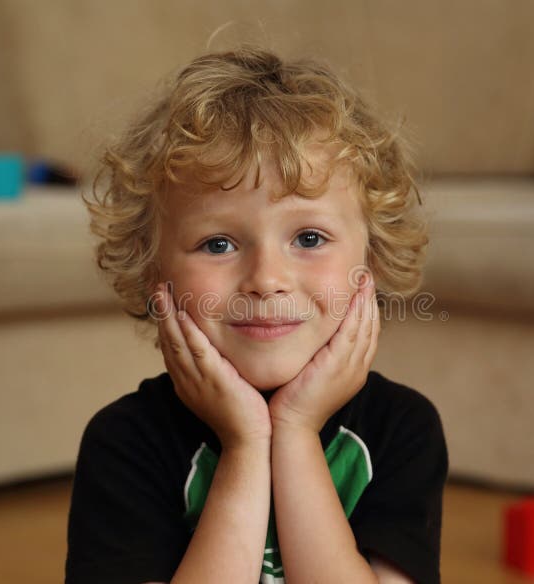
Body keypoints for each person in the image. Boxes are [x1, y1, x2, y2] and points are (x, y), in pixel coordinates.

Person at [66, 45, 448, 584]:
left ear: (374, 261)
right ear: (155, 275)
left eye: (309, 238)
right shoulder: (124, 442)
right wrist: (246, 445)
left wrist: (295, 430)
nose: (266, 280)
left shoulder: (403, 430)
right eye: (218, 244)